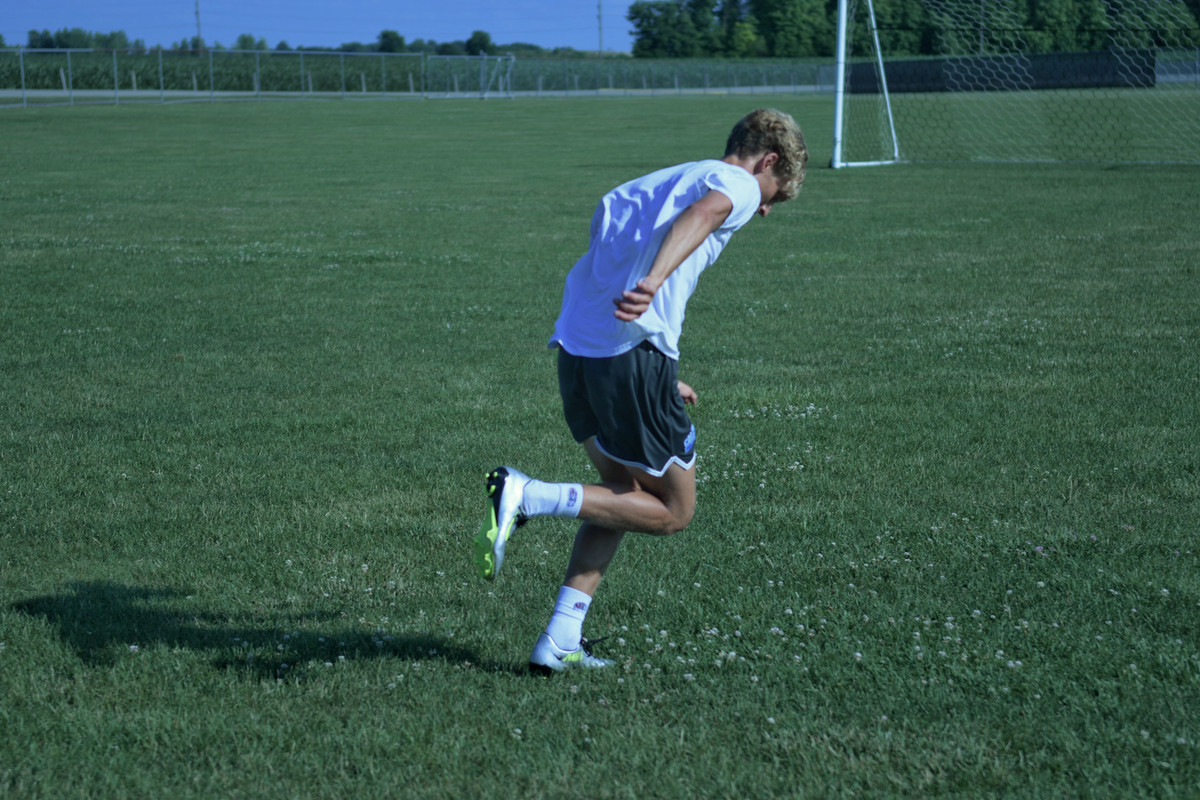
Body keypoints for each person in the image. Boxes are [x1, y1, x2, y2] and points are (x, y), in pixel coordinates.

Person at [475, 108, 809, 675]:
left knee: (619, 493)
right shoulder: (733, 184)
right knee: (674, 510)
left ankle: (559, 640)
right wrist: (652, 289)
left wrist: (655, 368)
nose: (767, 208)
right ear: (767, 161)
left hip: (582, 355)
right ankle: (527, 495)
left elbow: (605, 269)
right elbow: (705, 215)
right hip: (629, 354)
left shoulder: (645, 186)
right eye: (774, 193)